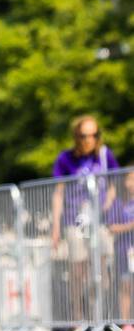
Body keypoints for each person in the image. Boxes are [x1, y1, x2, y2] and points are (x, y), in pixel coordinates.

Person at [50, 115, 119, 311]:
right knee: (78, 269)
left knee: (102, 269)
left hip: (100, 221)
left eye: (93, 135)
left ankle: (97, 313)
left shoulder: (105, 155)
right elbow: (58, 193)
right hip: (75, 221)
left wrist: (108, 203)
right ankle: (78, 317)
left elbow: (114, 184)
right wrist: (55, 227)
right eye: (84, 135)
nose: (89, 139)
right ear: (76, 136)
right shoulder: (65, 159)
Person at [103, 169, 134, 331]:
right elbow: (111, 227)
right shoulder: (119, 203)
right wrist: (129, 226)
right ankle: (126, 323)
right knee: (126, 286)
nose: (131, 183)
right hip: (124, 251)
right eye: (129, 179)